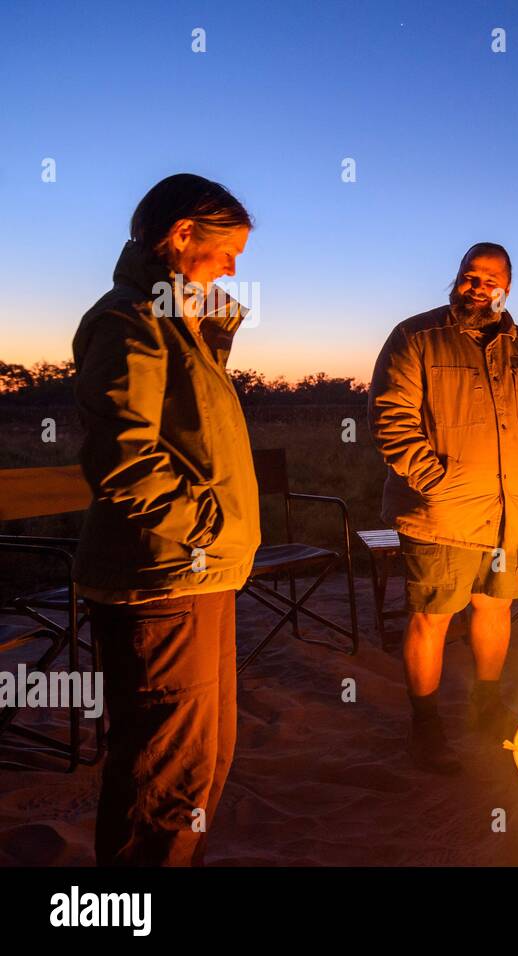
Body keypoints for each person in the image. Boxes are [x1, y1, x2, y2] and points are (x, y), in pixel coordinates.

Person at [72, 174, 260, 865]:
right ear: (182, 236)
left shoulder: (182, 327)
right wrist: (209, 525)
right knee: (164, 777)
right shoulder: (130, 320)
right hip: (162, 578)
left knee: (202, 763)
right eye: (227, 251)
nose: (235, 269)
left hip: (196, 572)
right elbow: (125, 461)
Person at [369, 243, 518, 773]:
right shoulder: (416, 337)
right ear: (457, 279)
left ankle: (487, 707)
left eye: (490, 279)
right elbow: (392, 419)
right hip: (442, 513)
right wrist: (435, 481)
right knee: (431, 616)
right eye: (469, 276)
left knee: (495, 607)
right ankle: (427, 729)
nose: (477, 287)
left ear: (507, 286)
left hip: (512, 511)